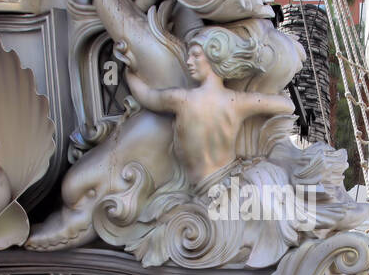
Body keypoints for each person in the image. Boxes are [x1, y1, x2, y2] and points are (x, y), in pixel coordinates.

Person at [122, 27, 294, 187]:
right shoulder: (238, 102)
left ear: (214, 56)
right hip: (227, 185)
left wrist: (129, 69)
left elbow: (146, 95)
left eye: (195, 55)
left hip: (201, 189)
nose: (189, 61)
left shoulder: (181, 99)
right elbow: (287, 106)